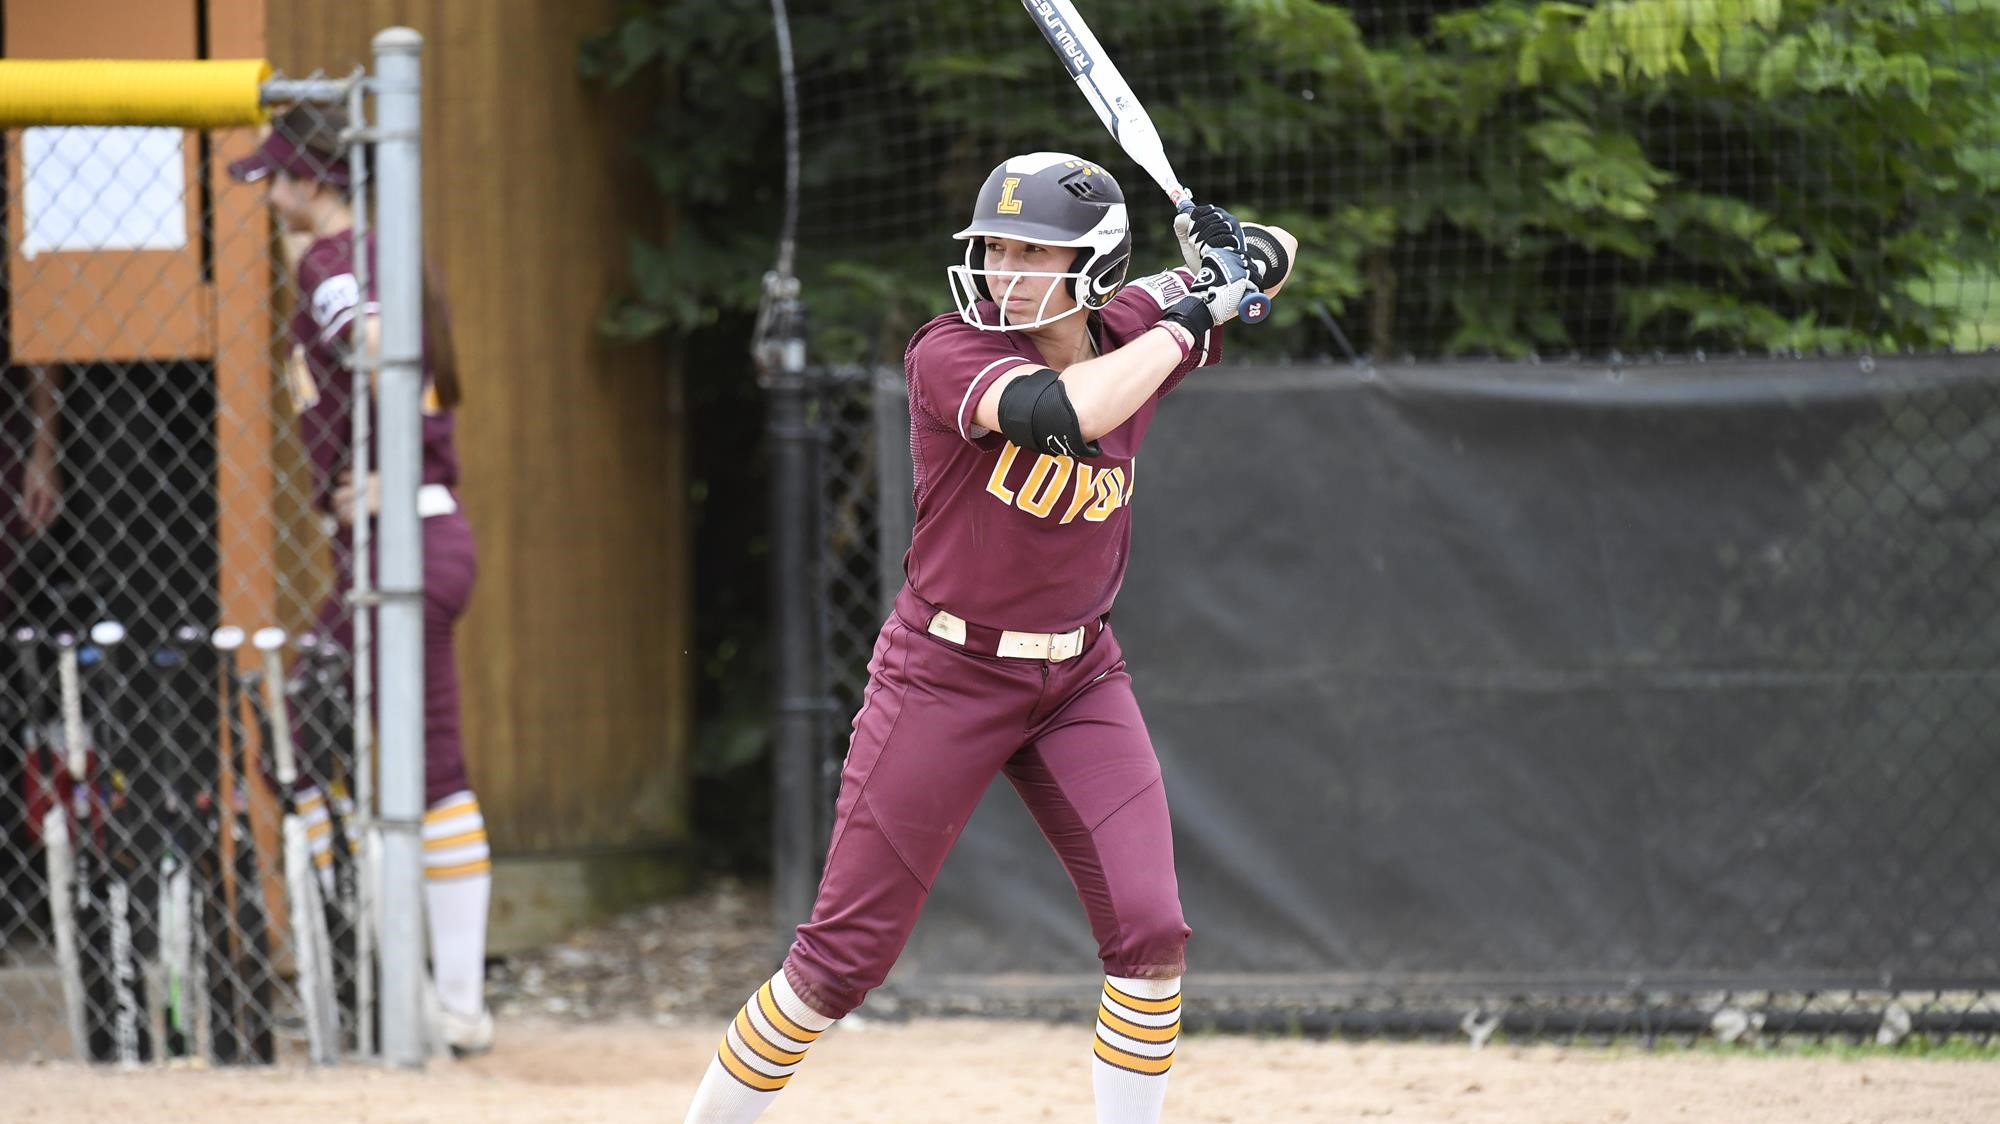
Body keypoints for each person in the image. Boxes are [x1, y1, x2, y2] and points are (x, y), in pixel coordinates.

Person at [680, 153, 1297, 1123]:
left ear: (1088, 266)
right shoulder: (949, 351)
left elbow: (1274, 252)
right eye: (992, 248)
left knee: (1148, 929)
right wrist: (1193, 312)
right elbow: (1070, 410)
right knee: (840, 960)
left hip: (1078, 675)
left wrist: (1234, 258)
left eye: (1031, 253)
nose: (1002, 271)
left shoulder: (1129, 327)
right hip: (943, 673)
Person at [227, 105, 494, 1056]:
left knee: (324, 740)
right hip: (418, 543)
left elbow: (380, 344)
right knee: (382, 751)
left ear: (309, 179)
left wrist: (389, 464)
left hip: (405, 543)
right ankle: (414, 987)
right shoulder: (380, 251)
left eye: (275, 180)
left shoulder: (330, 262)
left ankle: (412, 991)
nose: (269, 198)